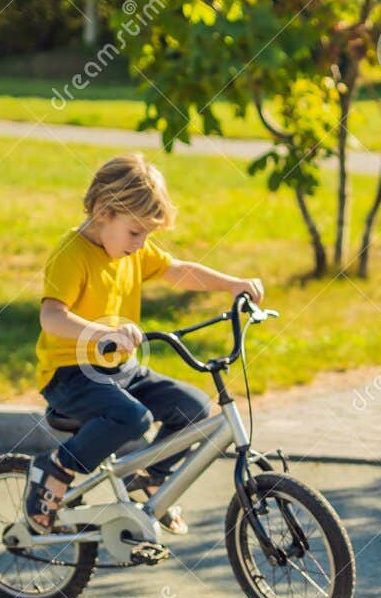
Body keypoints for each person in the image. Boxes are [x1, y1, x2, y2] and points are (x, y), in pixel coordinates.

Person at [23, 153, 264, 535]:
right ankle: (57, 467)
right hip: (71, 376)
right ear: (104, 211)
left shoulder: (132, 251)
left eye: (147, 235)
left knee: (195, 409)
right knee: (134, 418)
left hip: (121, 370)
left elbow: (179, 271)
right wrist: (100, 333)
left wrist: (232, 284)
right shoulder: (72, 256)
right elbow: (51, 315)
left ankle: (151, 478)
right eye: (136, 233)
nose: (141, 244)